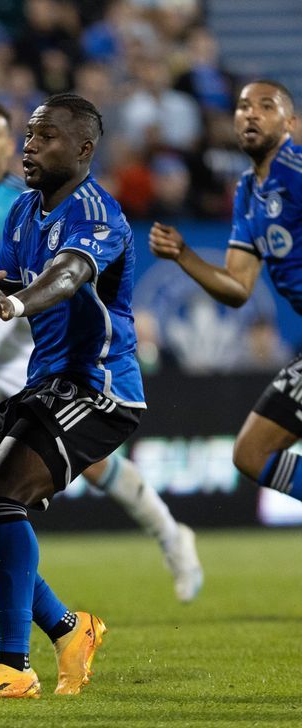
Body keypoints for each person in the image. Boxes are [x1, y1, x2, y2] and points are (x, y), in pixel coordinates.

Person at [0, 98, 202, 612]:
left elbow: (63, 277)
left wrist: (13, 304)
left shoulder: (51, 204)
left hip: (42, 356)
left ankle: (165, 540)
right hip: (13, 356)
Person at [0, 94, 144, 700]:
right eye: (28, 135)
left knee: (2, 493)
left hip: (99, 385)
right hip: (47, 382)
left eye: (45, 137)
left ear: (83, 149)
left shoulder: (98, 212)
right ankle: (68, 627)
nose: (29, 146)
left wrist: (21, 302)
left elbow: (71, 272)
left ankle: (13, 665)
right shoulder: (24, 211)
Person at [149, 79, 302, 503]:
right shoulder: (249, 192)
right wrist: (184, 255)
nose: (250, 113)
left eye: (265, 106)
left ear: (289, 122)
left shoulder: (298, 171)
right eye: (242, 106)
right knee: (252, 454)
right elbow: (237, 288)